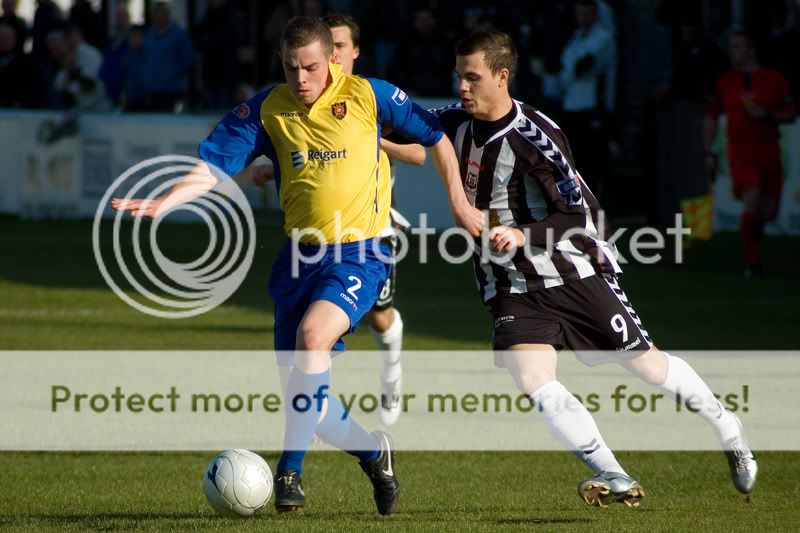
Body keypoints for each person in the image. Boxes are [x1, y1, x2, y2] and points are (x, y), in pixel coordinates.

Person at [113, 16, 482, 515]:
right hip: (297, 258)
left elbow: (434, 137)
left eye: (310, 67)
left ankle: (290, 470)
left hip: (361, 252)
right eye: (291, 69)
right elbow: (213, 167)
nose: (301, 79)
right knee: (310, 403)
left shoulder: (370, 95)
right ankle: (375, 455)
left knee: (314, 339)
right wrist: (167, 201)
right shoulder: (268, 109)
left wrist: (459, 205)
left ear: (332, 58)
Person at [433, 29, 757, 507]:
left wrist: (522, 233)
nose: (462, 87)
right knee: (531, 376)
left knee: (648, 365)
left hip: (573, 271)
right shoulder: (455, 123)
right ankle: (613, 472)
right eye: (459, 76)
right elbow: (413, 136)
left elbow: (576, 216)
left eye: (472, 78)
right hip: (509, 281)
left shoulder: (534, 139)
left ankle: (727, 426)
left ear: (502, 77)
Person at [252, 12, 426, 426]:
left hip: (372, 230)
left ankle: (392, 371)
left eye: (341, 47)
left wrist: (373, 142)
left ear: (352, 52)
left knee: (379, 316)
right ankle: (311, 413)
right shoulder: (299, 101)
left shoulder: (370, 98)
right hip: (315, 239)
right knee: (314, 331)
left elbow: (421, 152)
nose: (331, 59)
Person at [704, 30, 795, 277]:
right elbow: (711, 116)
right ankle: (752, 263)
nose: (733, 52)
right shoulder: (725, 82)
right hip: (741, 153)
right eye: (731, 47)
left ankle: (753, 248)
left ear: (751, 50)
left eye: (737, 47)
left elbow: (790, 113)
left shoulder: (774, 79)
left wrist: (766, 114)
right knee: (751, 199)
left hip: (769, 151)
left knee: (767, 212)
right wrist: (709, 151)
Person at [558, 0, 616, 203]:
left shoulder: (603, 37)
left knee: (595, 162)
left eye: (587, 14)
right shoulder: (575, 38)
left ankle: (598, 207)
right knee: (575, 160)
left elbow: (584, 66)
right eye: (579, 14)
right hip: (572, 106)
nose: (583, 18)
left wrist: (572, 70)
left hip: (593, 106)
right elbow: (565, 70)